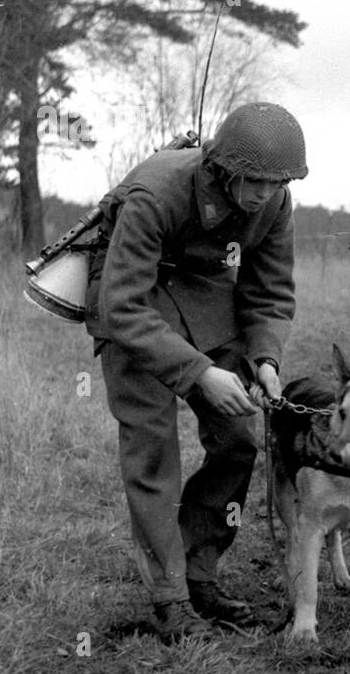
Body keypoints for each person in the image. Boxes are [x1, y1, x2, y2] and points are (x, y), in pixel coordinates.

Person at [84, 103, 307, 642]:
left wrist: (266, 360)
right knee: (154, 447)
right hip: (129, 303)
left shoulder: (274, 202)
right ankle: (170, 599)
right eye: (253, 180)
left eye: (276, 182)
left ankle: (199, 572)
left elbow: (268, 292)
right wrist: (199, 373)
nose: (263, 193)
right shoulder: (155, 193)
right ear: (223, 167)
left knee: (237, 441)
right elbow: (123, 306)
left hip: (204, 296)